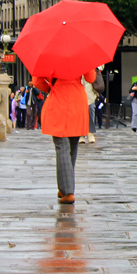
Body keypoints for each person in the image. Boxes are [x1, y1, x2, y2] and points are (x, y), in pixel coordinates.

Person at [32, 70, 96, 204]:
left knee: (62, 147)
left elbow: (37, 81)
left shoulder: (49, 55)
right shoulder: (81, 54)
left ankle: (68, 191)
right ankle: (65, 186)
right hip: (78, 101)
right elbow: (91, 78)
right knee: (72, 147)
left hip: (58, 100)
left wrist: (52, 87)